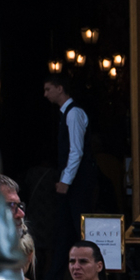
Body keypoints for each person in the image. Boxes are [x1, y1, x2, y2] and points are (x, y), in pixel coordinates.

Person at [44, 76, 96, 251]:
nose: (45, 94)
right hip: (73, 181)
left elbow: (76, 151)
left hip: (79, 182)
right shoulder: (66, 113)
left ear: (60, 89)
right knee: (65, 228)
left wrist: (65, 181)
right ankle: (60, 269)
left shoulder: (73, 113)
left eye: (48, 89)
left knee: (80, 227)